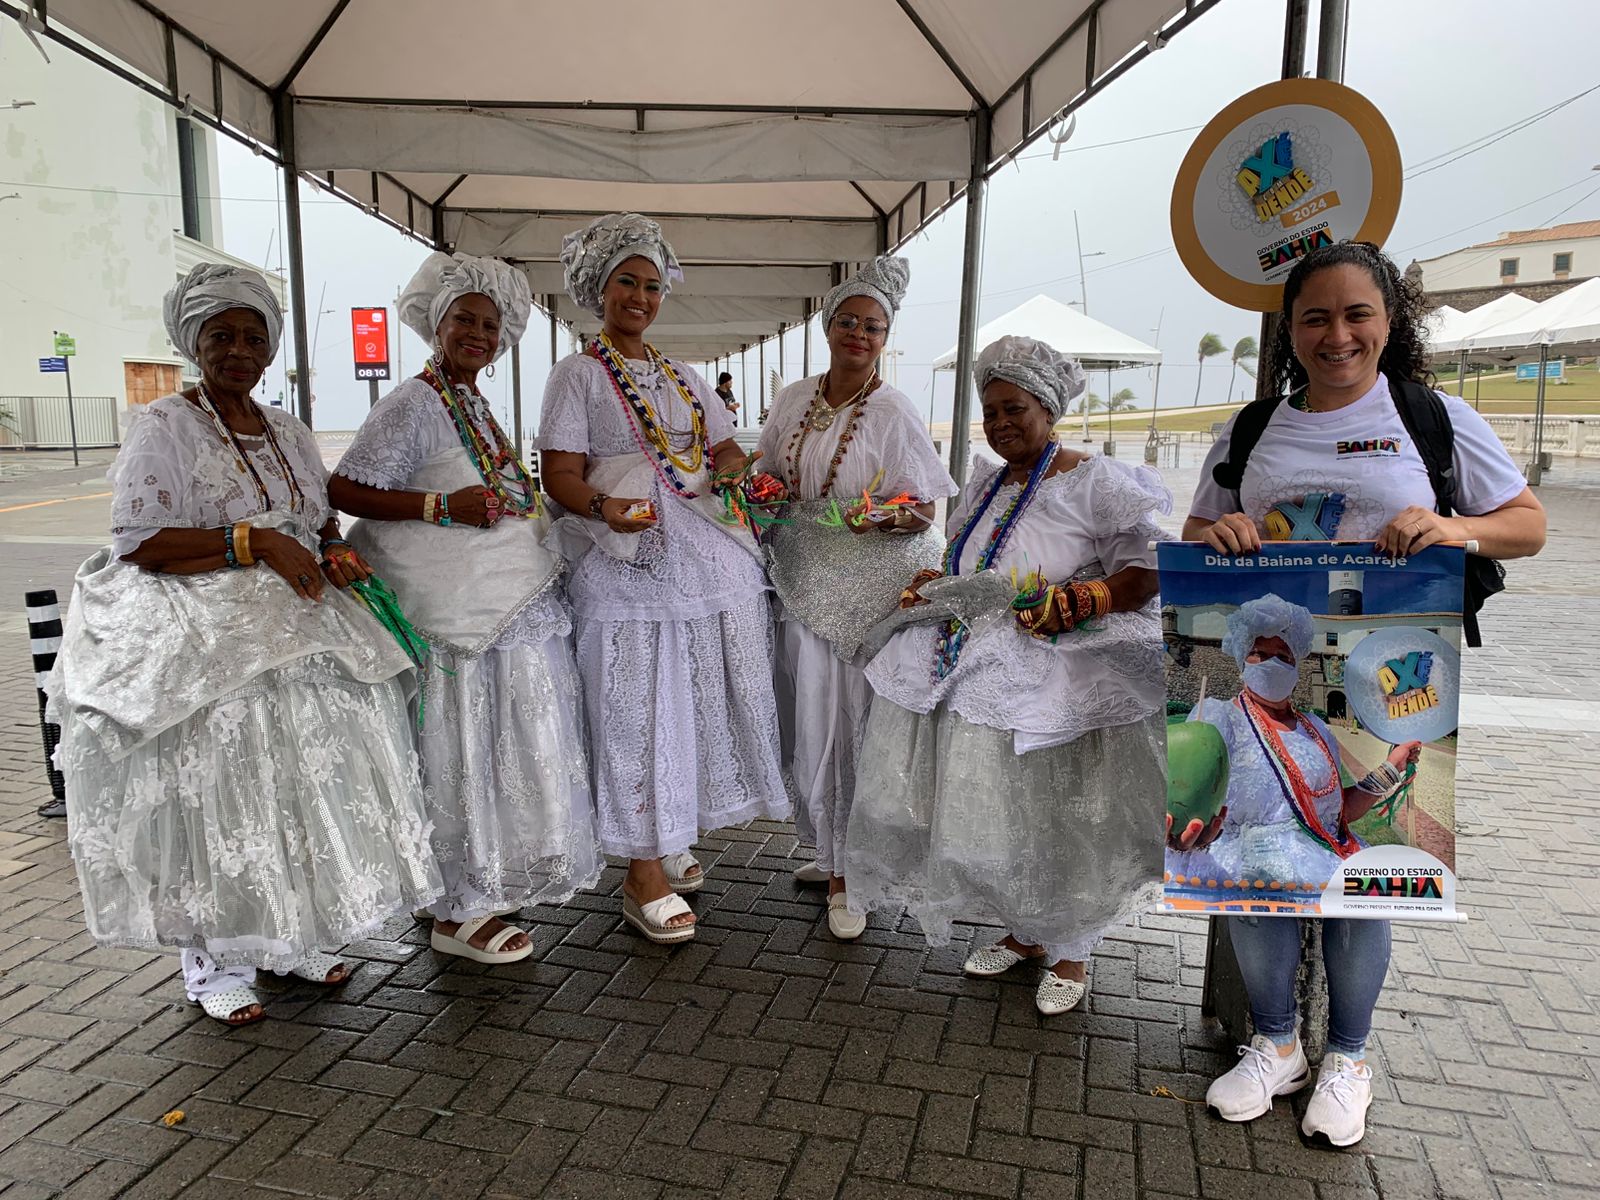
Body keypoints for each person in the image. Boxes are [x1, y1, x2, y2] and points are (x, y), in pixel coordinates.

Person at [1184, 240, 1547, 1145]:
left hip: (1390, 678)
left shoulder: (1434, 417)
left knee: (1365, 871)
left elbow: (1528, 527)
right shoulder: (1251, 430)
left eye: (1357, 315)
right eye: (1315, 317)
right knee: (1258, 862)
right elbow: (1191, 534)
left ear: (1389, 322)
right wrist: (1219, 529)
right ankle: (1276, 1045)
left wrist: (1450, 526)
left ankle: (1347, 1054)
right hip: (1270, 673)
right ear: (1289, 330)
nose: (1336, 335)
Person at [48, 264, 443, 1027]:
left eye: (254, 337)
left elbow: (318, 519)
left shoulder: (290, 430)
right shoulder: (164, 425)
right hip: (204, 637)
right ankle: (216, 958)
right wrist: (250, 542)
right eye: (222, 335)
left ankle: (286, 936)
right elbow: (140, 541)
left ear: (271, 350)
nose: (239, 350)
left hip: (303, 630)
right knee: (225, 797)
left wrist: (330, 549)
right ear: (193, 342)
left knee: (296, 789)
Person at [845, 335, 1169, 1014]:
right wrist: (935, 584)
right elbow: (967, 563)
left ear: (1047, 407)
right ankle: (1027, 933)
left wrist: (1087, 598)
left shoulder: (1094, 480)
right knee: (1010, 818)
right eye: (990, 412)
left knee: (1060, 814)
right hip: (978, 669)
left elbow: (1146, 570)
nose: (1000, 425)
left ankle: (1072, 950)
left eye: (1013, 408)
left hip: (1060, 676)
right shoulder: (987, 483)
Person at [329, 252, 603, 966]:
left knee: (494, 747)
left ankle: (472, 884)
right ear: (437, 324)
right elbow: (348, 489)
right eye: (465, 321)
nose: (479, 334)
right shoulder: (412, 403)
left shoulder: (471, 402)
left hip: (501, 604)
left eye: (490, 325)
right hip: (456, 617)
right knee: (462, 748)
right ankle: (458, 906)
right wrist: (438, 506)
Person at [537, 213, 791, 945]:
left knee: (688, 704)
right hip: (628, 570)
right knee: (637, 709)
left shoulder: (680, 376)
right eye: (627, 282)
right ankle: (640, 869)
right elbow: (558, 476)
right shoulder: (577, 375)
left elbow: (723, 451)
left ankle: (672, 832)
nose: (641, 297)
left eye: (652, 285)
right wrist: (604, 506)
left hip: (703, 561)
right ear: (599, 289)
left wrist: (746, 482)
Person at [757, 256, 955, 938]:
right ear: (828, 326)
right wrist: (761, 494)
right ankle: (829, 849)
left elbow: (925, 509)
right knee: (808, 723)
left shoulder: (894, 408)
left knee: (849, 731)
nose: (859, 335)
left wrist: (885, 515)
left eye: (873, 326)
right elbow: (762, 476)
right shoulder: (792, 400)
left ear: (885, 336)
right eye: (849, 321)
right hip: (801, 580)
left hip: (867, 594)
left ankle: (853, 875)